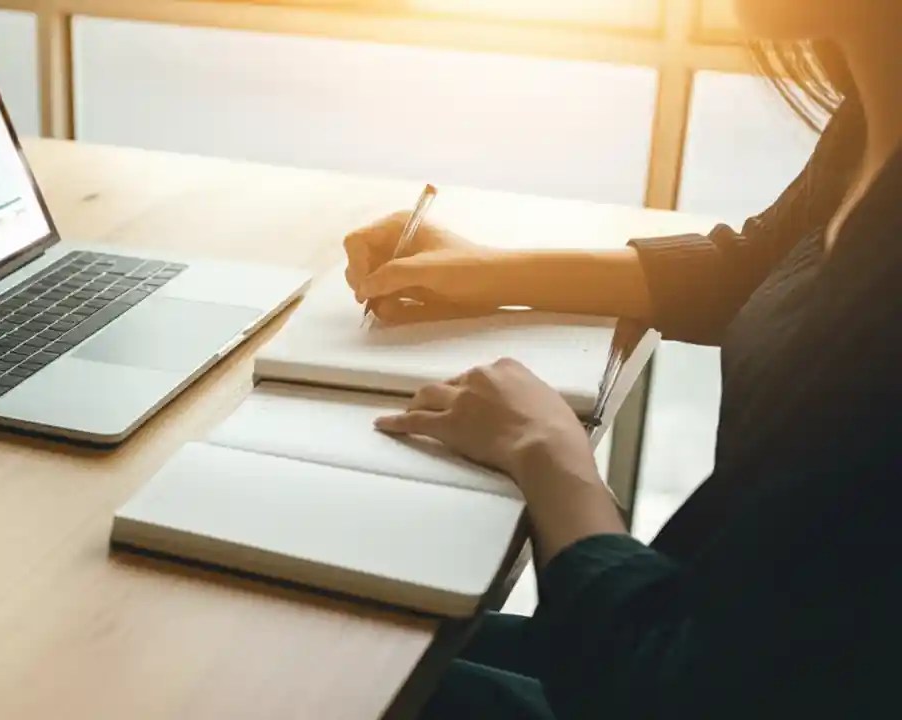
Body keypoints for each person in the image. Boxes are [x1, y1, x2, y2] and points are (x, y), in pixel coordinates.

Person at [343, 1, 902, 717]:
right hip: (712, 626)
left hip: (682, 671)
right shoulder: (873, 109)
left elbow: (671, 690)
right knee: (327, 622)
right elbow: (757, 267)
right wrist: (490, 270)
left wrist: (552, 458)